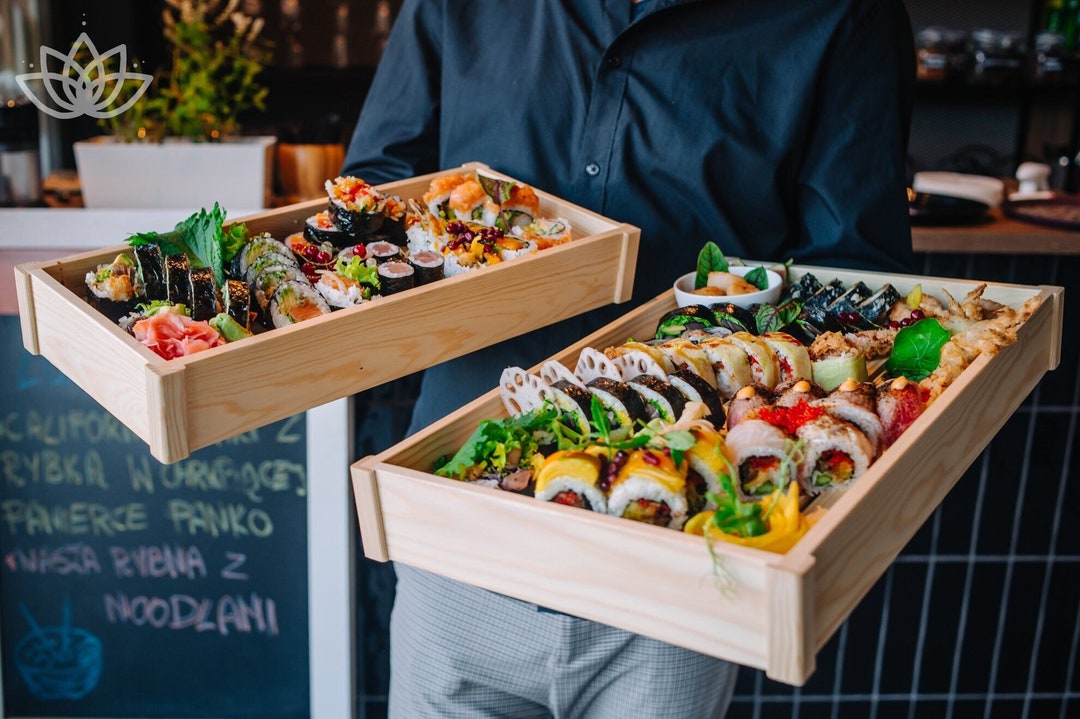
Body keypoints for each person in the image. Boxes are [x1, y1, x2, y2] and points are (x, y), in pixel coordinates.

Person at [342, 1, 916, 716]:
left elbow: (852, 277)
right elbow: (375, 189)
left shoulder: (841, 15)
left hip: (676, 554)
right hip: (461, 520)